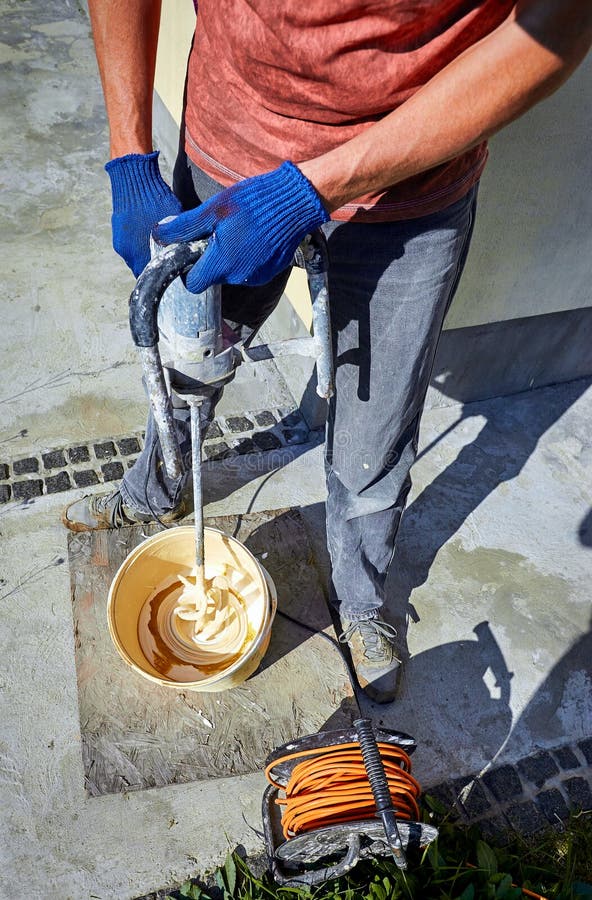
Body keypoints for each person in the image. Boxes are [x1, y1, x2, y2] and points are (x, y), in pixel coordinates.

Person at [63, 0, 591, 702]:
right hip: (228, 161)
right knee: (186, 363)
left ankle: (363, 597)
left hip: (409, 189)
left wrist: (314, 189)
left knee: (377, 424)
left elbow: (560, 24)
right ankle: (152, 489)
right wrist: (130, 157)